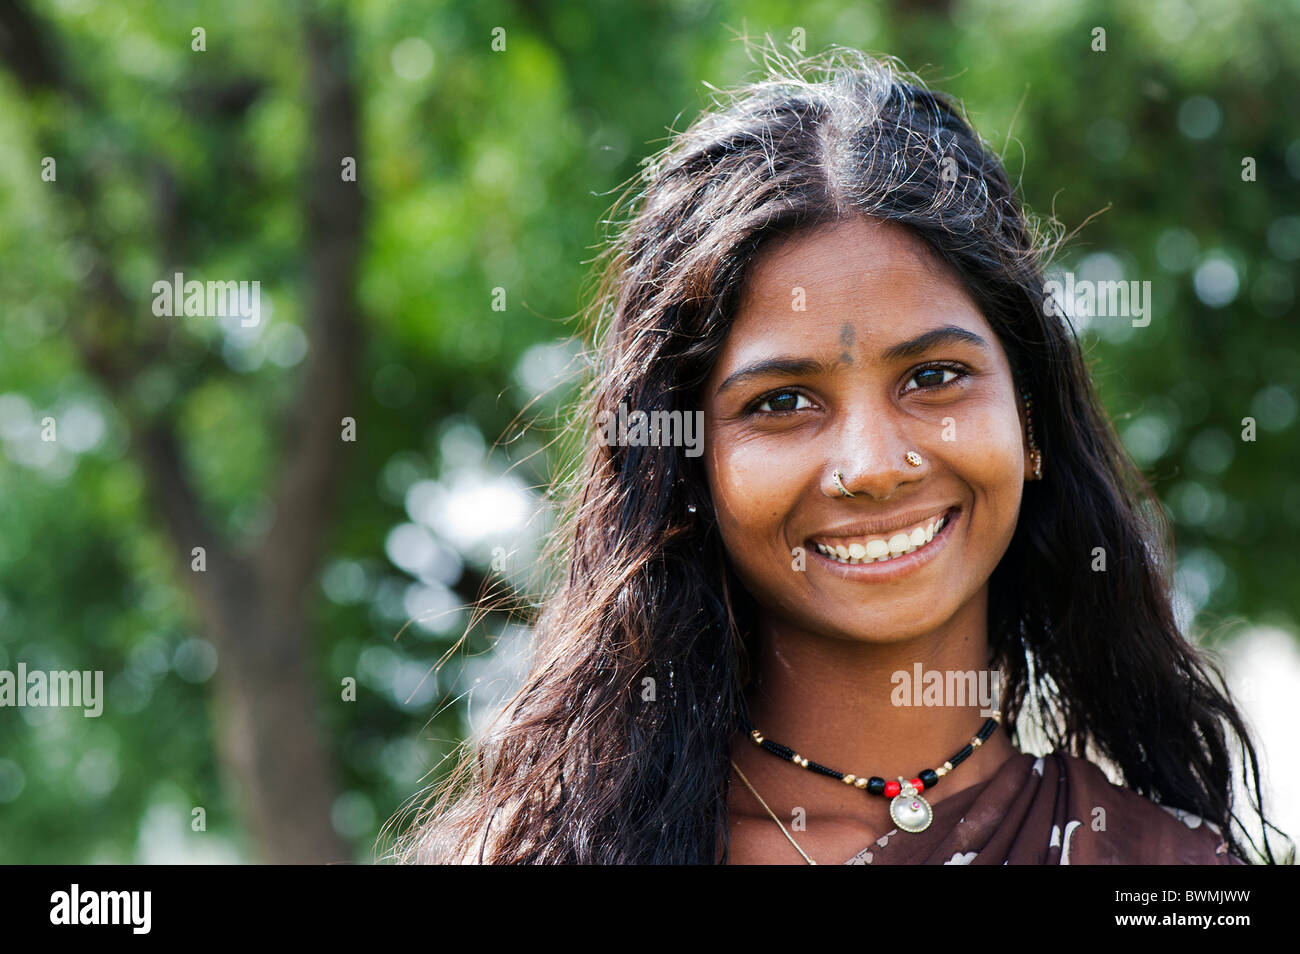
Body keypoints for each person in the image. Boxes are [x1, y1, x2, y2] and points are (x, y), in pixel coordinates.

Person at [391, 45, 1290, 865]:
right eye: (781, 403)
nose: (871, 464)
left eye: (934, 377)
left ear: (1029, 416)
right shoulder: (557, 856)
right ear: (689, 463)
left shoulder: (1168, 870)